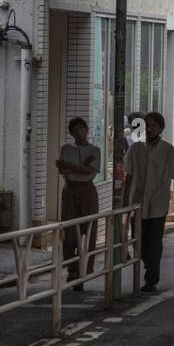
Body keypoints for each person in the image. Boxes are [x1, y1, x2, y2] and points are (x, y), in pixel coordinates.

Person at [122, 112, 174, 293]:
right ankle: (148, 264)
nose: (150, 129)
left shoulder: (168, 150)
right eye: (147, 125)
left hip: (158, 202)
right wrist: (124, 200)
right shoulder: (136, 149)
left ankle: (151, 278)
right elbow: (128, 175)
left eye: (153, 126)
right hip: (137, 202)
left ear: (160, 128)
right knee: (139, 241)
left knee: (154, 241)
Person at [56, 118, 101, 289]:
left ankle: (84, 271)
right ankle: (72, 269)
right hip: (70, 190)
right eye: (74, 129)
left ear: (86, 129)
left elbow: (91, 172)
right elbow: (63, 170)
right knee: (69, 234)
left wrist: (71, 166)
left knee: (88, 232)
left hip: (88, 192)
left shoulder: (95, 149)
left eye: (81, 128)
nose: (78, 131)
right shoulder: (66, 148)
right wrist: (82, 166)